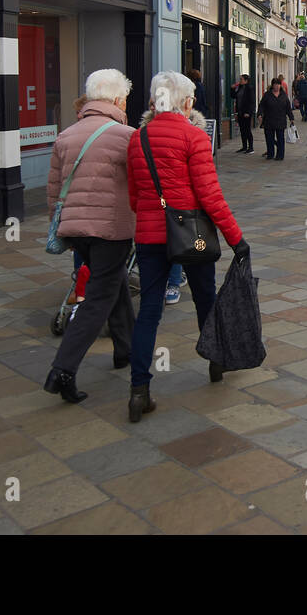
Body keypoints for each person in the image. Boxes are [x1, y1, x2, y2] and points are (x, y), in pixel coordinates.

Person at [126, 72, 247, 422]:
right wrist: (235, 238)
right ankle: (215, 361)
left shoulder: (138, 139)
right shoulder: (194, 137)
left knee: (149, 310)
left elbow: (135, 197)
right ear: (186, 102)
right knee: (204, 298)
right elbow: (210, 196)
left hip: (150, 236)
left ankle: (139, 390)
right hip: (191, 235)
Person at [42, 69, 137, 404]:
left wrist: (61, 224)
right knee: (97, 299)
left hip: (76, 228)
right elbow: (138, 186)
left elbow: (54, 188)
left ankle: (125, 350)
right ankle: (62, 370)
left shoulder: (65, 136)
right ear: (115, 100)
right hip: (110, 229)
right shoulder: (126, 136)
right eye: (124, 97)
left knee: (114, 283)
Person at [257, 77, 294, 161]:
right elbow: (261, 105)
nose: (277, 86)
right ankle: (270, 154)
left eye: (278, 85)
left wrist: (291, 118)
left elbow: (288, 108)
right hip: (269, 120)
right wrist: (259, 114)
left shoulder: (283, 95)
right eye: (275, 85)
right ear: (272, 85)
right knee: (269, 138)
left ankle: (280, 155)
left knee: (280, 138)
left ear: (280, 85)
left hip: (280, 120)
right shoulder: (267, 95)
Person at [232, 74, 255, 154]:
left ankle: (251, 147)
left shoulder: (249, 88)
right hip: (240, 112)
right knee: (242, 130)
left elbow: (252, 101)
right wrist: (232, 89)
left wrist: (248, 112)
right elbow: (234, 96)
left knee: (247, 130)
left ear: (246, 80)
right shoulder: (240, 88)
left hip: (246, 113)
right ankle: (244, 146)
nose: (240, 81)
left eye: (241, 79)